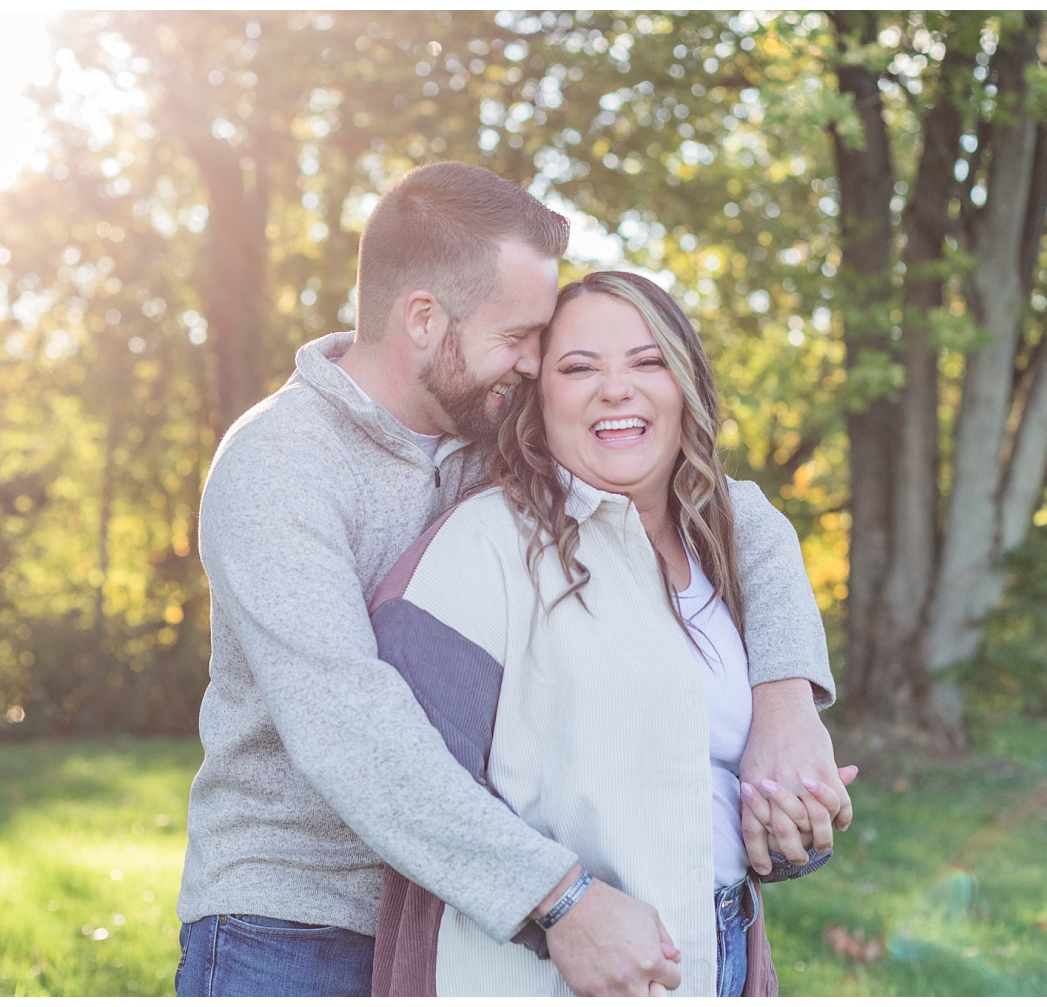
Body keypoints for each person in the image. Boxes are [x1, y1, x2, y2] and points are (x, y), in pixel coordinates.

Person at [175, 162, 851, 997]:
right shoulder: (281, 466)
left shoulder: (487, 428)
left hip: (472, 904)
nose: (535, 365)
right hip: (298, 919)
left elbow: (727, 509)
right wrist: (561, 897)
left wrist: (786, 701)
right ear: (424, 319)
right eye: (520, 336)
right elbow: (349, 728)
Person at [367, 271, 850, 996]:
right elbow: (402, 787)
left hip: (716, 959)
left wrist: (790, 824)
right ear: (539, 399)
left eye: (647, 361)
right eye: (579, 367)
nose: (616, 388)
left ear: (684, 385)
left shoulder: (722, 556)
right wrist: (563, 904)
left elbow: (699, 792)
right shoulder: (483, 546)